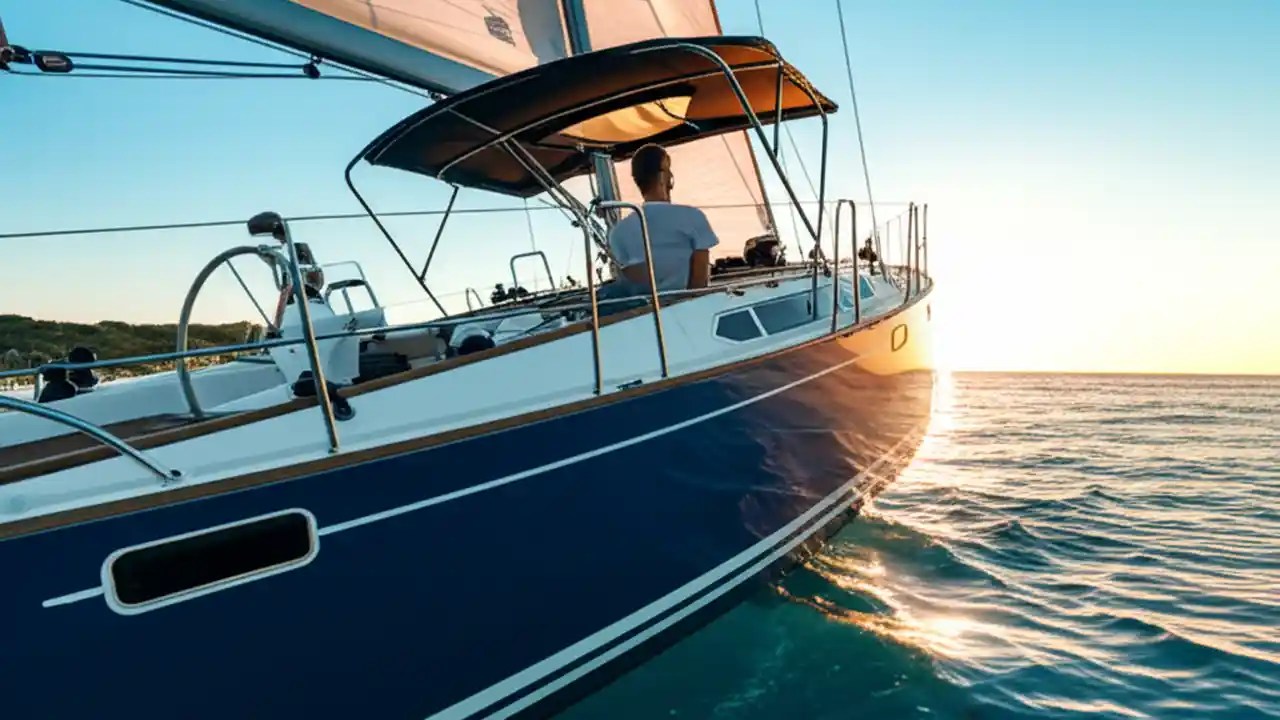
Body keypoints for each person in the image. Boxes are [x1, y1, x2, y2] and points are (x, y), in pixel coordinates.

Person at [605, 144, 720, 295]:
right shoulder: (693, 217)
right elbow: (699, 286)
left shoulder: (618, 232)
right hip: (685, 308)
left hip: (642, 313)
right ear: (663, 177)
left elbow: (629, 280)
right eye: (668, 169)